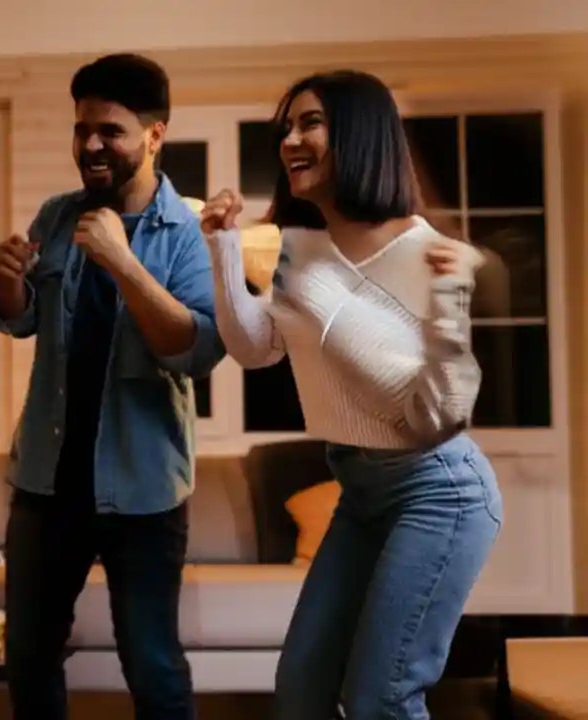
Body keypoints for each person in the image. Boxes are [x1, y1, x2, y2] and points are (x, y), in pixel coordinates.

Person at [200, 69, 500, 720]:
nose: (290, 140)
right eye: (287, 127)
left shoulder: (425, 253)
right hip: (359, 494)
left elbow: (430, 411)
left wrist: (321, 296)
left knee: (380, 699)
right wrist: (224, 249)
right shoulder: (302, 251)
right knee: (302, 695)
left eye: (311, 123)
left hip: (438, 489)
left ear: (360, 135)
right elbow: (257, 348)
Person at [0, 53, 224, 720]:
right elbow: (23, 320)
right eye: (81, 129)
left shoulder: (188, 231)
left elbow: (196, 351)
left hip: (144, 492)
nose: (91, 145)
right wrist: (9, 283)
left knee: (151, 663)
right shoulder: (56, 217)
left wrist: (125, 264)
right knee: (29, 655)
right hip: (46, 481)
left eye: (110, 131)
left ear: (155, 135)